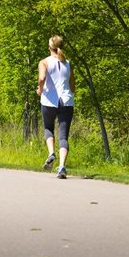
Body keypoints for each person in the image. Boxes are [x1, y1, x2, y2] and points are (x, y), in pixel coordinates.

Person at [36, 35, 75, 179]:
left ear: (49, 47)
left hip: (49, 101)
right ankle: (62, 167)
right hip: (66, 102)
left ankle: (51, 153)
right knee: (63, 136)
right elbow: (73, 87)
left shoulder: (44, 62)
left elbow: (41, 78)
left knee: (48, 128)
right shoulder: (68, 64)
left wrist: (40, 90)